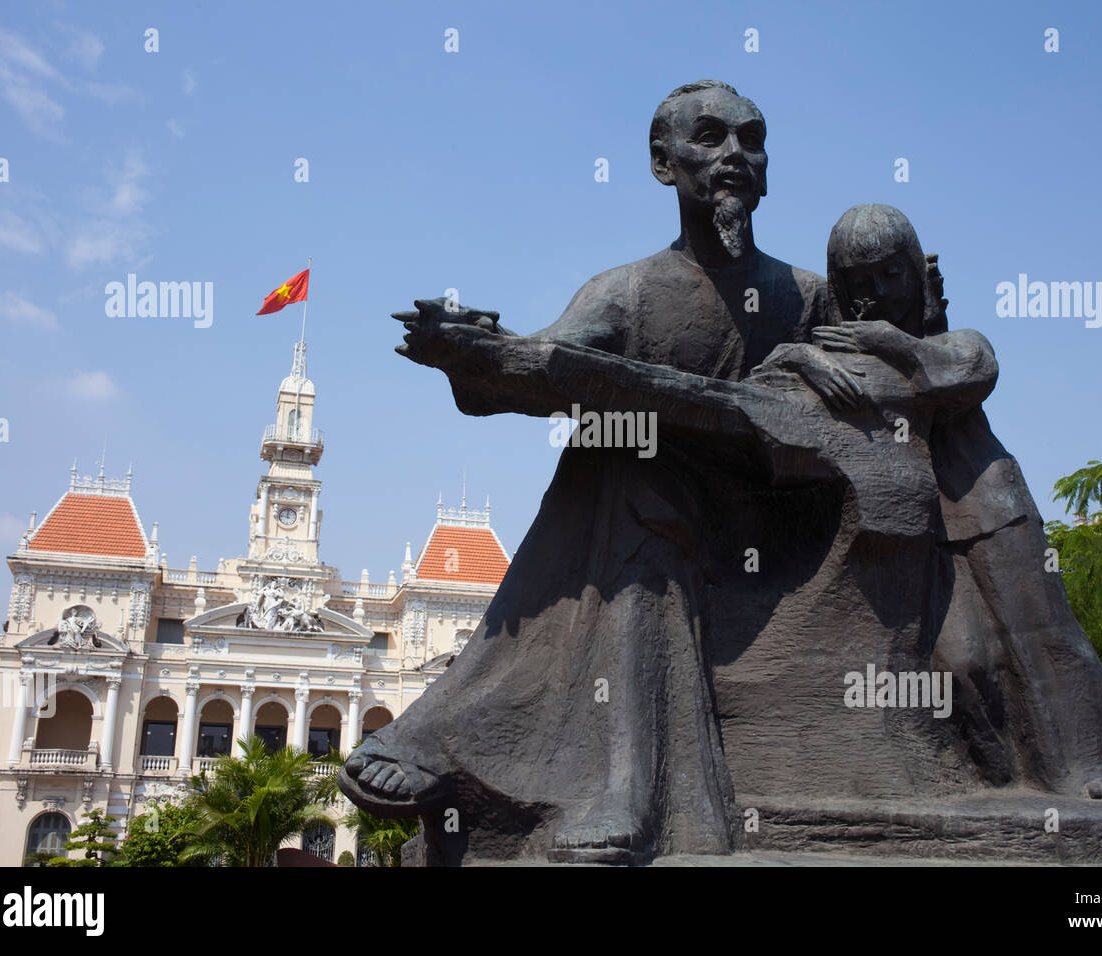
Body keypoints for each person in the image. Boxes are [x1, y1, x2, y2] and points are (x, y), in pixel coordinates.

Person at [340, 80, 843, 863]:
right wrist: (476, 357)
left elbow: (865, 403)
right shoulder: (626, 292)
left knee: (627, 464)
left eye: (751, 138)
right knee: (617, 455)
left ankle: (616, 790)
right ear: (661, 162)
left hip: (777, 526)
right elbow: (543, 370)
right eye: (710, 138)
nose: (734, 156)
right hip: (652, 517)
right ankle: (542, 761)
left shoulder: (808, 297)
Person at [809, 204, 1102, 798]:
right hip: (919, 522)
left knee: (1043, 635)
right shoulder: (844, 350)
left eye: (891, 274)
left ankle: (1091, 767)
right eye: (862, 283)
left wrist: (892, 342)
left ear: (914, 269)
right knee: (960, 662)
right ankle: (1009, 782)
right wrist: (800, 355)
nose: (880, 293)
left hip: (990, 504)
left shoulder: (954, 342)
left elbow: (968, 372)